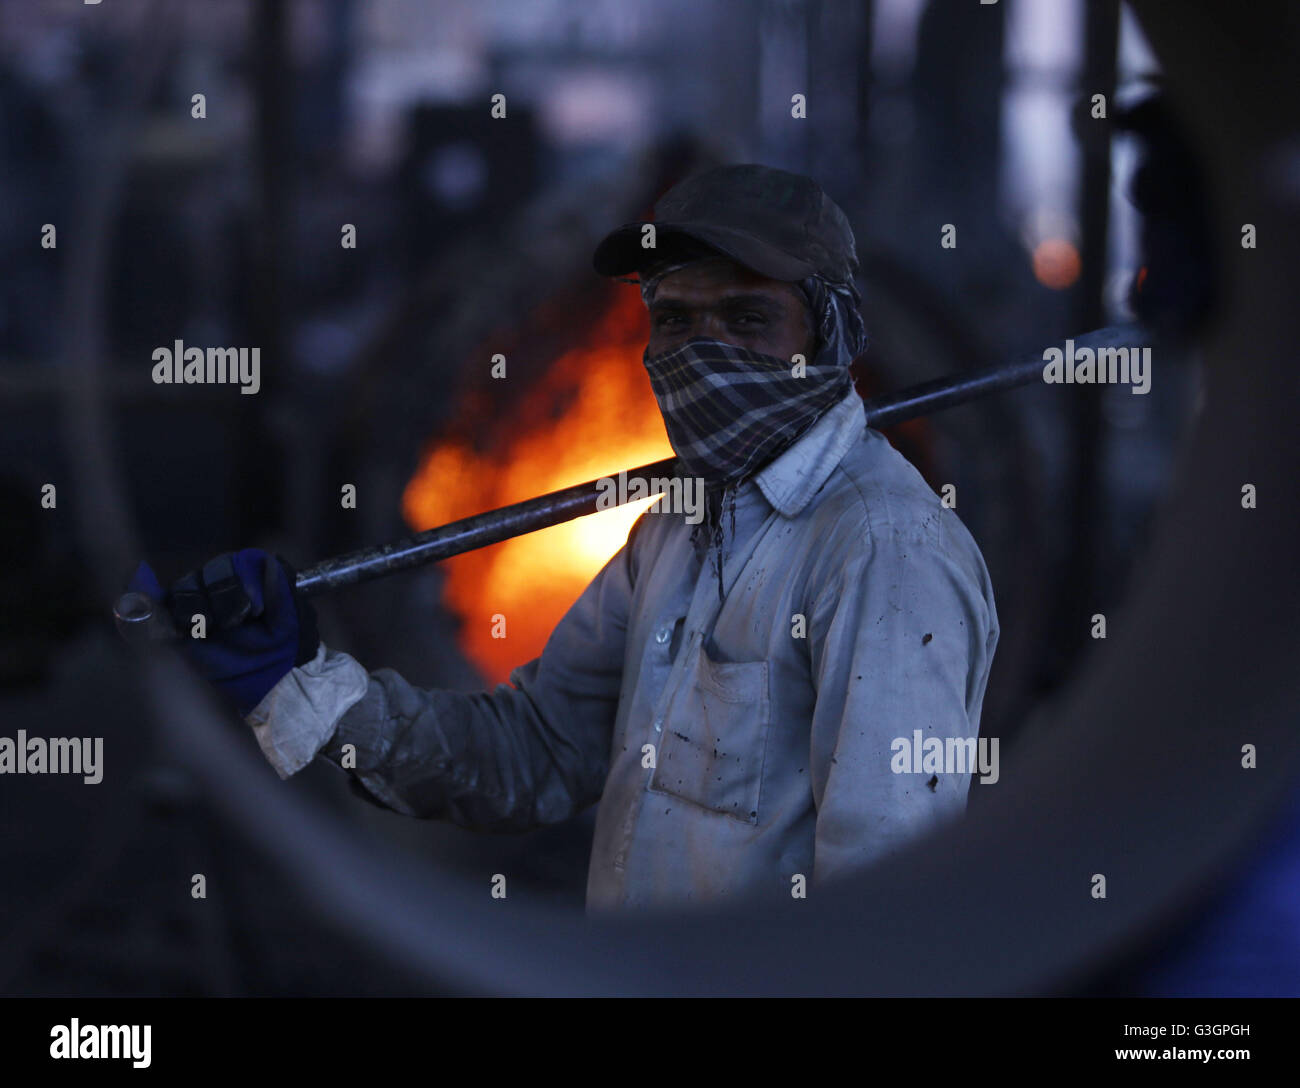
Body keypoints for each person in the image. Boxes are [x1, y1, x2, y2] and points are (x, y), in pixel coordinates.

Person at [129, 164, 1000, 913]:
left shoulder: (885, 552)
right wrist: (306, 686)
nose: (702, 352)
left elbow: (885, 908)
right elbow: (534, 752)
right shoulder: (676, 528)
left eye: (746, 321)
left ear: (833, 335)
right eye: (676, 320)